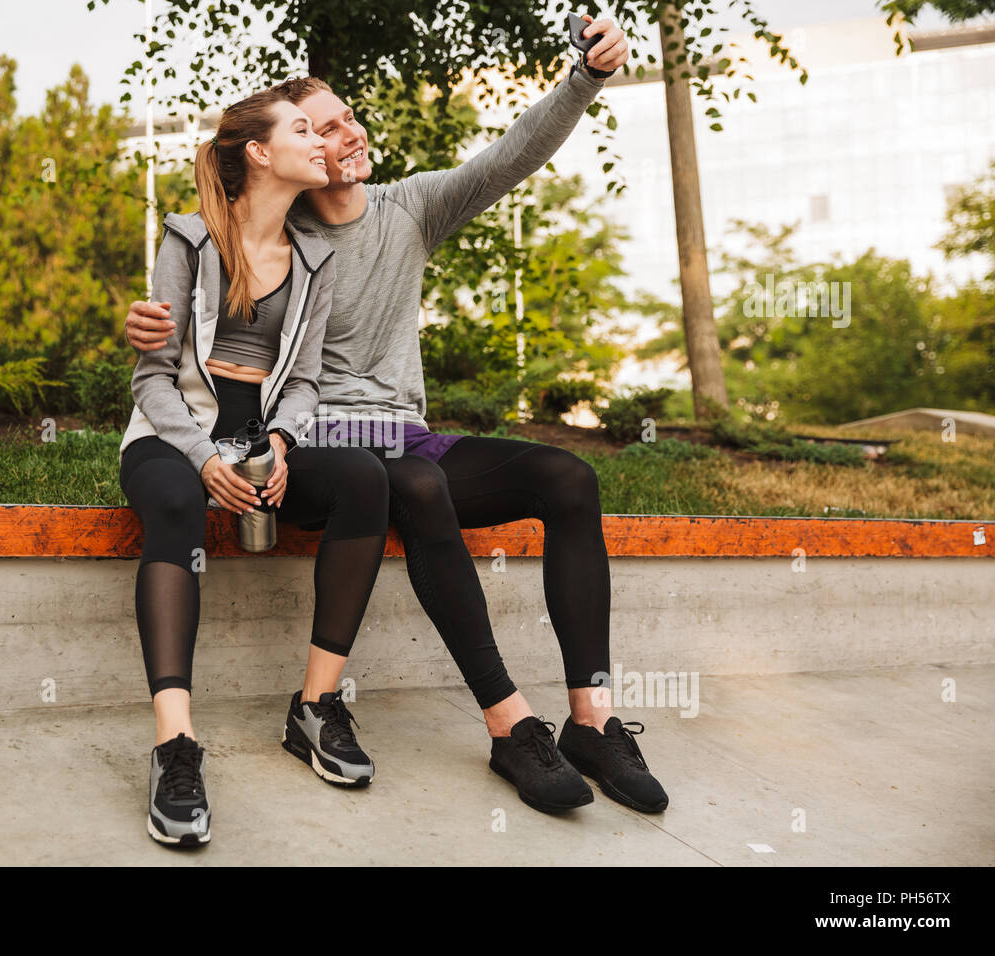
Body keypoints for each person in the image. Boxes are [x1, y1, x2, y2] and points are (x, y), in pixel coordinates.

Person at [125, 16, 670, 817]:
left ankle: (591, 715)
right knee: (412, 484)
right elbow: (199, 327)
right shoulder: (280, 233)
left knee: (567, 476)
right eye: (319, 126)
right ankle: (508, 724)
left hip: (401, 430)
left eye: (345, 118)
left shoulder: (409, 208)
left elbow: (510, 154)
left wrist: (583, 77)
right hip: (328, 440)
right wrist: (146, 332)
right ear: (285, 152)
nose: (343, 134)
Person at [119, 84, 391, 846]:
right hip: (174, 440)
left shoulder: (314, 258)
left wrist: (281, 445)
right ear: (260, 152)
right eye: (304, 129)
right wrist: (205, 458)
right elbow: (150, 379)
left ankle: (315, 707)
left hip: (261, 444)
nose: (322, 142)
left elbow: (301, 381)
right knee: (174, 502)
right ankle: (176, 746)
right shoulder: (189, 239)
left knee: (366, 479)